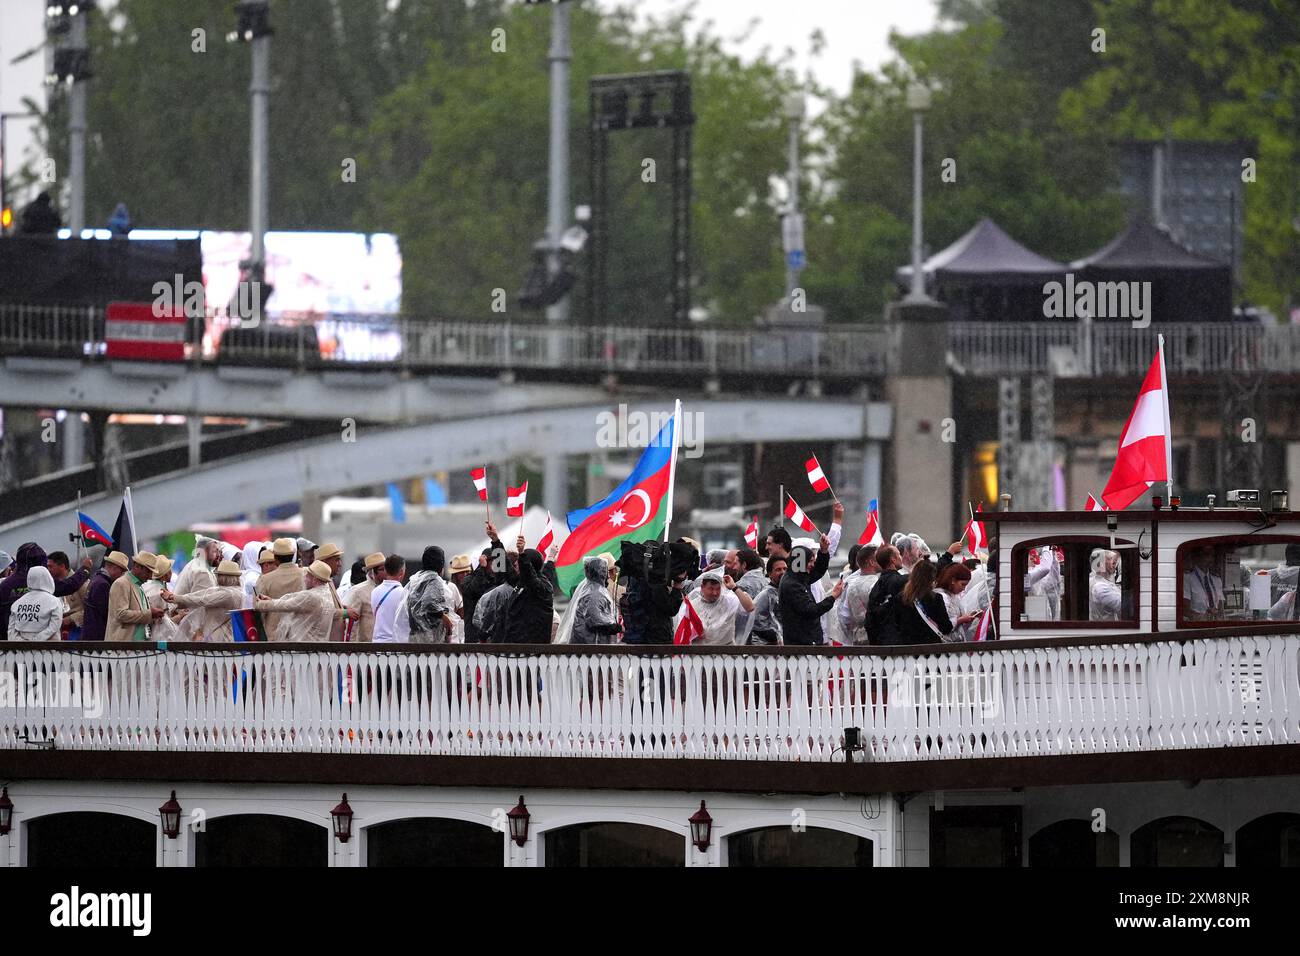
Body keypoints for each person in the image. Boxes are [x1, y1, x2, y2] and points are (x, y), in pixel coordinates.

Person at [0, 542, 91, 638]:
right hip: (43, 646)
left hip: (9, 643)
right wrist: (85, 570)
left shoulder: (5, 586)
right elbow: (68, 586)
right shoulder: (45, 585)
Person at [257, 561, 355, 642]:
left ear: (315, 580)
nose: (304, 578)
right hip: (317, 652)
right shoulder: (325, 593)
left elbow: (285, 605)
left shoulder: (311, 596)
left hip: (303, 653)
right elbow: (293, 598)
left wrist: (260, 604)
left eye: (307, 575)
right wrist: (271, 600)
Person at [778, 535, 842, 646]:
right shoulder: (793, 584)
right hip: (802, 647)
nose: (812, 565)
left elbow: (818, 570)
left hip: (807, 642)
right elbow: (811, 610)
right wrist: (832, 597)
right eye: (811, 561)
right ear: (801, 562)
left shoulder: (798, 576)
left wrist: (824, 550)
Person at [165, 560, 245, 642]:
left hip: (221, 640)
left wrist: (176, 598)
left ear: (224, 577)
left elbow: (202, 600)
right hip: (218, 637)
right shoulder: (232, 591)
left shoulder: (230, 594)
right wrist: (177, 599)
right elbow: (201, 594)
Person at [556, 554, 622, 645]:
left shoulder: (592, 588)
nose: (608, 575)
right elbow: (595, 619)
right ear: (600, 572)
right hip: (590, 647)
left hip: (589, 644)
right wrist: (615, 627)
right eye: (605, 571)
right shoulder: (595, 592)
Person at [497, 547, 555, 644]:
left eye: (519, 562)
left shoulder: (541, 588)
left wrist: (522, 554)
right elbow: (505, 568)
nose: (515, 564)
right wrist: (495, 541)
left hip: (530, 652)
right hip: (515, 648)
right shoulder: (520, 582)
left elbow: (529, 575)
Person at [688, 568, 755, 645]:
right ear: (702, 587)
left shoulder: (729, 601)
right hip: (700, 653)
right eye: (711, 589)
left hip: (725, 652)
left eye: (718, 589)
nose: (715, 593)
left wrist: (734, 587)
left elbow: (750, 608)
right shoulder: (693, 605)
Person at [256, 538, 305, 642]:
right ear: (293, 555)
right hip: (300, 635)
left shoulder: (265, 579)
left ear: (275, 558)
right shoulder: (305, 575)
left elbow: (259, 611)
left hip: (274, 638)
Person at [107, 552, 164, 642]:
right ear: (137, 567)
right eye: (148, 571)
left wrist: (153, 614)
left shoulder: (139, 586)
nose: (150, 576)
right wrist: (150, 613)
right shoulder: (121, 583)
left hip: (136, 646)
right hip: (123, 647)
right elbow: (121, 614)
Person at [897, 559, 954, 644]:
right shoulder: (935, 598)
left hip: (908, 647)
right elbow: (946, 627)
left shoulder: (901, 598)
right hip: (931, 647)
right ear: (932, 579)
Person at [407, 546, 455, 643]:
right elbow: (429, 603)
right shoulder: (434, 580)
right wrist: (445, 619)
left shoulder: (417, 579)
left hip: (415, 635)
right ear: (441, 564)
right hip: (431, 639)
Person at [7, 566, 64, 641]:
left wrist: (21, 642)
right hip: (49, 650)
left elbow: (11, 630)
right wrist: (36, 640)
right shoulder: (54, 601)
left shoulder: (17, 603)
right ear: (48, 578)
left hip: (21, 651)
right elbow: (54, 626)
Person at [81, 551, 127, 642]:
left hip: (89, 634)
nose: (122, 576)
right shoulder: (103, 584)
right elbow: (107, 613)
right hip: (97, 637)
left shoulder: (96, 579)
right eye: (122, 572)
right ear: (114, 568)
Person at [866, 544, 907, 645]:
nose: (901, 557)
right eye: (898, 554)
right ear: (893, 559)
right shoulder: (901, 582)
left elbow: (869, 621)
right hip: (900, 647)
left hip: (881, 646)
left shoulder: (876, 587)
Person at [839, 547, 880, 645]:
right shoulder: (877, 584)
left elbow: (844, 617)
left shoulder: (850, 585)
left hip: (858, 640)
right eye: (879, 558)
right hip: (876, 641)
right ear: (872, 562)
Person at [345, 552, 386, 642]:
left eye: (387, 568)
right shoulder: (358, 591)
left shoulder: (390, 589)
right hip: (365, 649)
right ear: (371, 573)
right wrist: (350, 649)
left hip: (386, 647)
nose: (386, 572)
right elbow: (351, 624)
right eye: (382, 569)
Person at [747, 556, 786, 645]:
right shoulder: (766, 594)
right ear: (770, 574)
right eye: (778, 569)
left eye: (785, 569)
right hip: (767, 648)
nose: (783, 572)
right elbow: (755, 620)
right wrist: (773, 638)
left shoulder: (787, 592)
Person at [935, 563, 979, 641]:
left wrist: (969, 616)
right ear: (952, 580)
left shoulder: (953, 596)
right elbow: (943, 625)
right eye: (962, 584)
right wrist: (961, 620)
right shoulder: (942, 597)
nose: (964, 589)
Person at [371, 554, 409, 644]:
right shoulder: (405, 594)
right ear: (401, 572)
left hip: (376, 644)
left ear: (386, 570)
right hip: (396, 647)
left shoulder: (374, 592)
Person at [47, 551, 84, 640]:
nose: (48, 570)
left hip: (77, 633)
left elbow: (91, 610)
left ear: (62, 566)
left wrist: (71, 619)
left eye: (50, 566)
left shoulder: (82, 584)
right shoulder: (52, 585)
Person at [1182, 545, 1224, 620]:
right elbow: (1184, 609)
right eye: (1207, 555)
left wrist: (1219, 615)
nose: (1211, 558)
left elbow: (1221, 608)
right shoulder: (1187, 578)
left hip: (1215, 625)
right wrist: (1200, 616)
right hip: (1198, 626)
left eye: (1213, 556)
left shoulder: (1217, 580)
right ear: (1197, 557)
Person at [1024, 546, 1062, 620]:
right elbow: (1045, 568)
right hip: (1034, 619)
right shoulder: (1026, 576)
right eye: (1031, 557)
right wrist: (1047, 547)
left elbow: (1053, 579)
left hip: (1045, 617)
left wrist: (1053, 556)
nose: (1034, 559)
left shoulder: (1032, 575)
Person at [1089, 548, 1122, 621]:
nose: (1114, 562)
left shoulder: (1099, 580)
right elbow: (1124, 605)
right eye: (1109, 559)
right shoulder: (1100, 586)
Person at [447, 553, 473, 642]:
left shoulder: (474, 588)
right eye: (461, 572)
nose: (465, 574)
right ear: (455, 574)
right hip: (456, 632)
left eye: (467, 572)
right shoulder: (451, 588)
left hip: (470, 632)